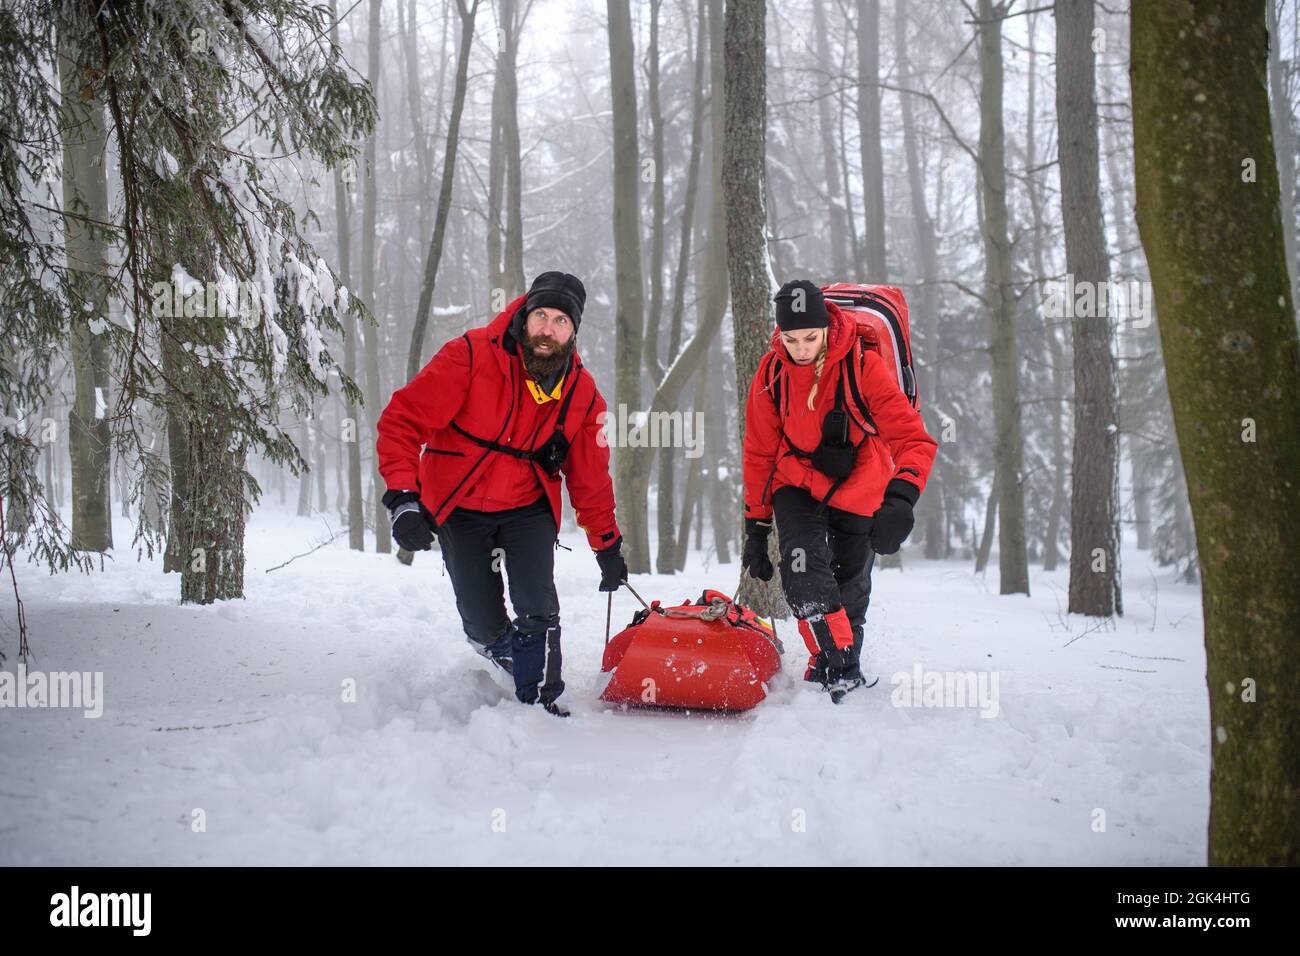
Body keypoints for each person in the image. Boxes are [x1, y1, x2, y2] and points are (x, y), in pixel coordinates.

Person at [376, 272, 627, 716]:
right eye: (541, 316)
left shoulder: (582, 395)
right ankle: (498, 644)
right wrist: (403, 497)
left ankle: (540, 700)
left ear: (574, 332)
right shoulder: (469, 356)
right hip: (460, 504)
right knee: (482, 620)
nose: (548, 329)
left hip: (528, 507)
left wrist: (606, 543)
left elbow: (590, 477)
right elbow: (402, 420)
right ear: (525, 316)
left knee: (538, 605)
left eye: (561, 322)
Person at [741, 279, 938, 700]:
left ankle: (835, 662)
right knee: (801, 572)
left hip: (861, 484)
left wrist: (901, 498)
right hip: (795, 483)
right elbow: (759, 451)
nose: (800, 348)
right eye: (790, 338)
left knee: (850, 589)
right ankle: (839, 665)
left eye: (810, 337)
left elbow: (914, 440)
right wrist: (755, 527)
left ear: (827, 327)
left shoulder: (863, 366)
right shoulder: (771, 371)